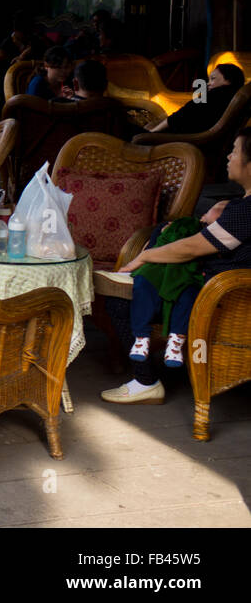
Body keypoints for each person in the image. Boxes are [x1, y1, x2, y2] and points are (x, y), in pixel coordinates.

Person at [102, 127, 251, 403]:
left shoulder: (247, 210)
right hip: (208, 288)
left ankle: (145, 381)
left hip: (220, 299)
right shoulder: (241, 205)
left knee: (120, 300)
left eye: (235, 151)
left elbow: (195, 247)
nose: (229, 157)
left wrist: (146, 256)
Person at [147, 63, 245, 134]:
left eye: (213, 79)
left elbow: (181, 115)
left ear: (228, 81)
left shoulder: (214, 95)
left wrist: (153, 132)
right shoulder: (232, 96)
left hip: (184, 138)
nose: (208, 83)